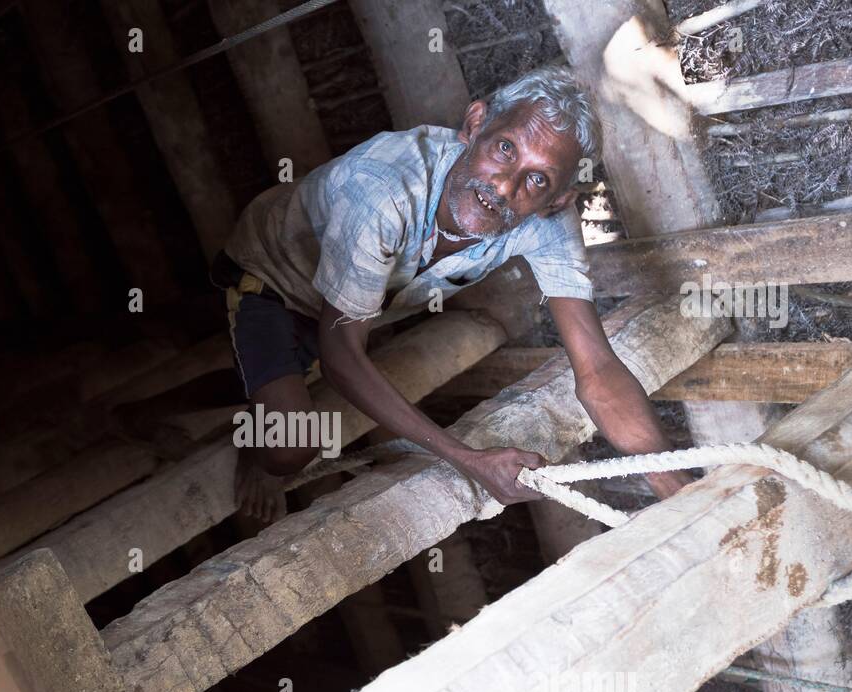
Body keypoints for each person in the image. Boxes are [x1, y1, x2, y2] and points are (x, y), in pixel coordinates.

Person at [211, 66, 691, 522]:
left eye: (538, 179)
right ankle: (258, 463)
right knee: (291, 446)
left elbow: (598, 370)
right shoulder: (383, 190)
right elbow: (342, 355)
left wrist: (681, 497)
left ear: (559, 200)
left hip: (355, 306)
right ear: (475, 123)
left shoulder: (545, 221)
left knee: (302, 376)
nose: (505, 186)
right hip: (275, 282)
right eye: (505, 148)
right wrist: (466, 459)